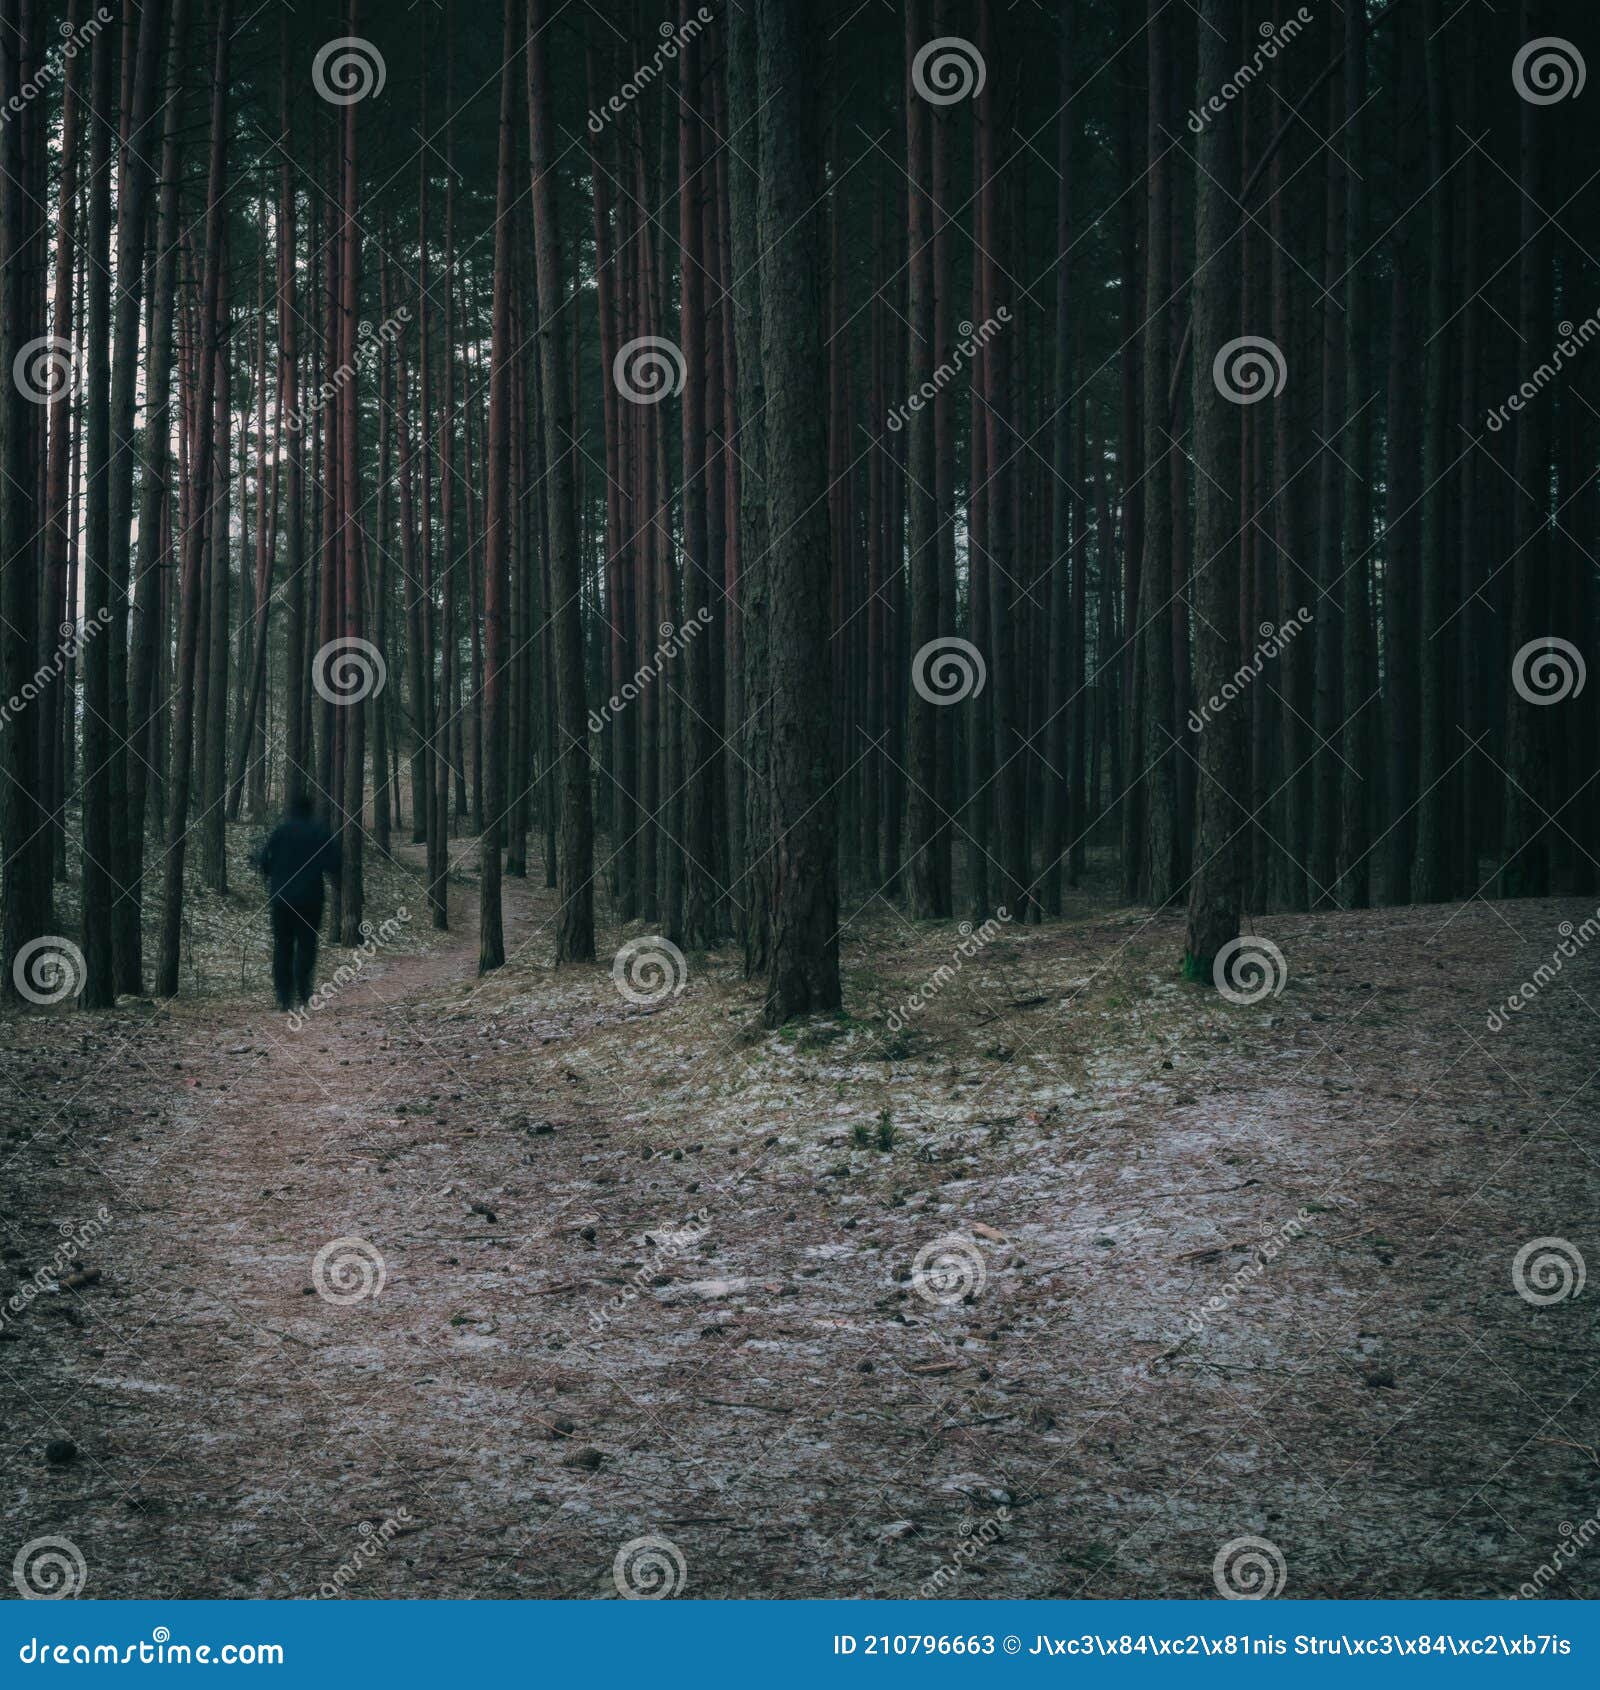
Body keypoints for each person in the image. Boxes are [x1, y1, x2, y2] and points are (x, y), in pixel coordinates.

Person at [259, 794, 342, 1011]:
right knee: (307, 945)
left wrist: (273, 875)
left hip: (281, 899)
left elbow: (264, 862)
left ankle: (283, 996)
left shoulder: (280, 832)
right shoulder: (319, 833)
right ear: (310, 811)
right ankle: (304, 993)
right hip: (310, 899)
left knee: (282, 946)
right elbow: (335, 864)